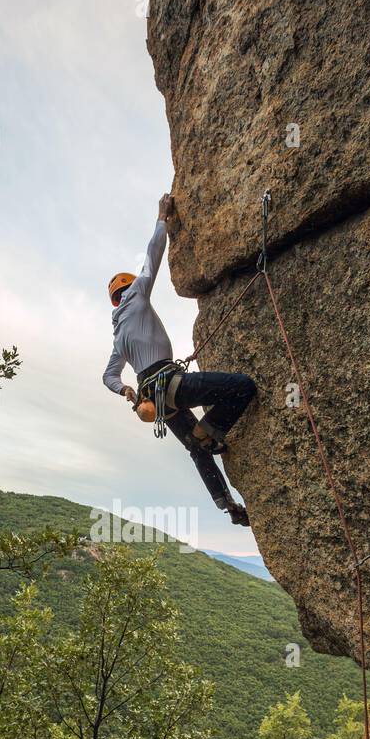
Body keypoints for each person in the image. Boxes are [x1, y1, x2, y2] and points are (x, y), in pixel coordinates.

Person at [103, 194, 256, 526]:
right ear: (127, 291)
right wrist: (162, 218)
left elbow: (108, 375)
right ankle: (208, 430)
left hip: (153, 398)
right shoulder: (137, 293)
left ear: (113, 302)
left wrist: (125, 390)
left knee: (196, 451)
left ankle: (227, 505)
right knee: (242, 387)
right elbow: (152, 256)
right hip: (171, 383)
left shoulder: (118, 335)